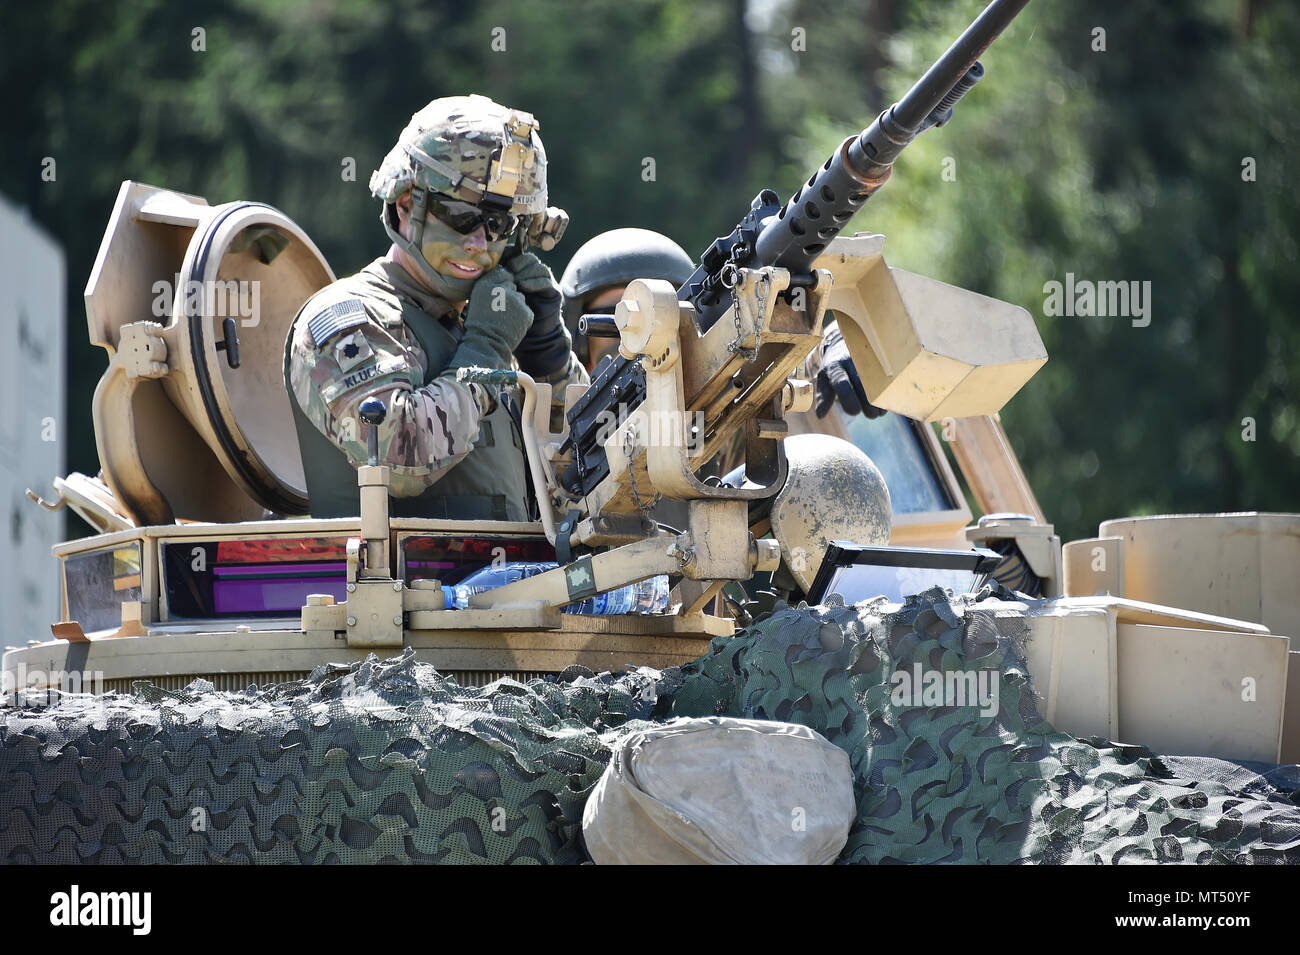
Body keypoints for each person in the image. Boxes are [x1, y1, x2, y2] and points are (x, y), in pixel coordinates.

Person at [285, 94, 586, 521]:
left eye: (500, 226)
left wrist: (549, 356)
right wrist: (486, 348)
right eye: (462, 216)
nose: (479, 243)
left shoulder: (485, 321)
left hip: (517, 580)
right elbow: (397, 460)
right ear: (407, 204)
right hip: (396, 584)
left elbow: (588, 457)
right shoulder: (346, 317)